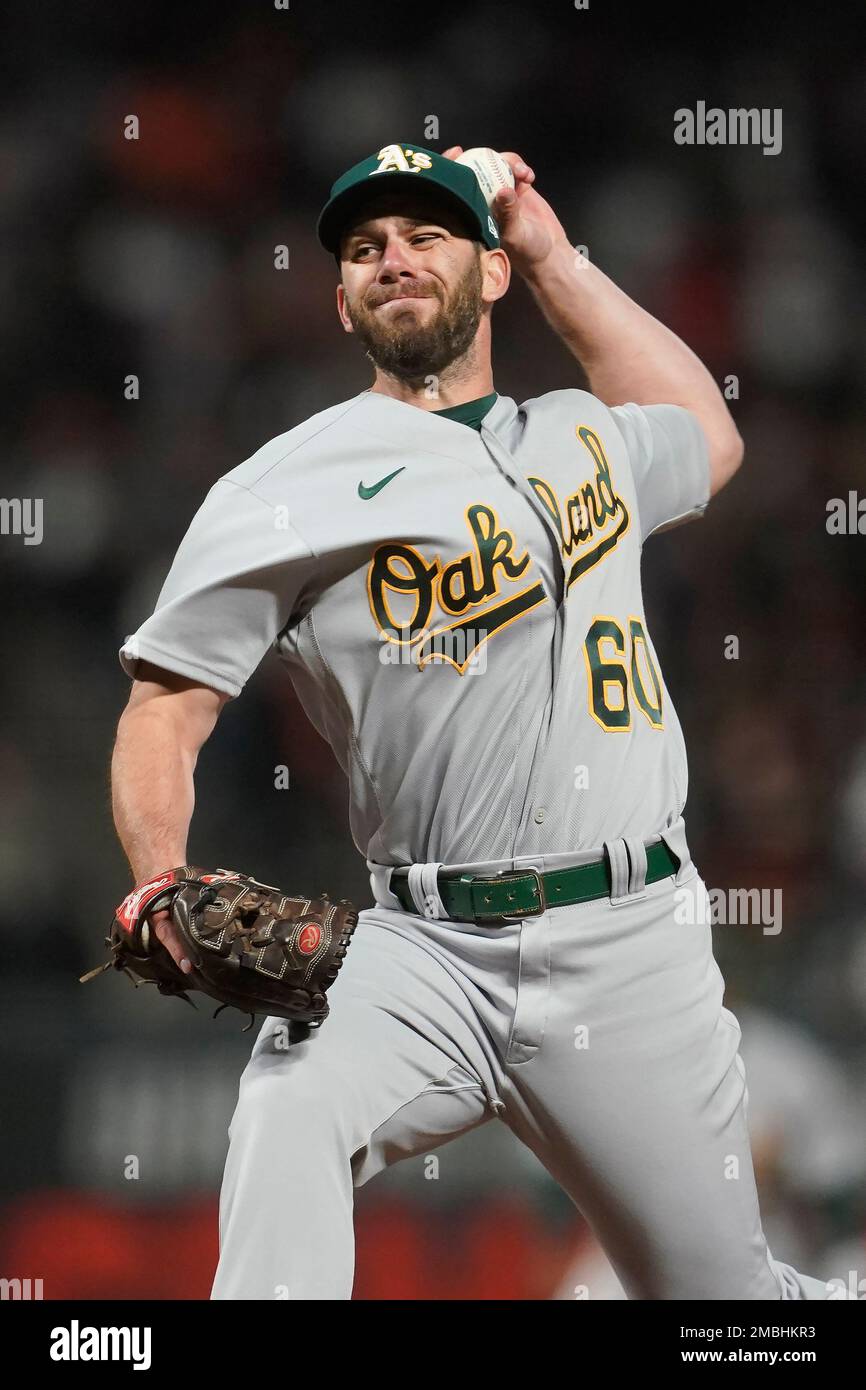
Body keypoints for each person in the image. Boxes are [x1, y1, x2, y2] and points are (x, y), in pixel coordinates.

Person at [111, 141, 845, 1299]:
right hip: (422, 948)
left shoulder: (582, 434)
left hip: (629, 938)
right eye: (363, 249)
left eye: (424, 234)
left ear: (489, 271)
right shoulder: (280, 487)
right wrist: (157, 875)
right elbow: (166, 705)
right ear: (341, 296)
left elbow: (707, 431)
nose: (391, 258)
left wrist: (552, 251)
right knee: (288, 1111)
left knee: (725, 1307)